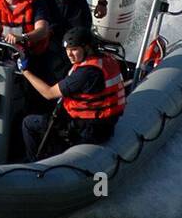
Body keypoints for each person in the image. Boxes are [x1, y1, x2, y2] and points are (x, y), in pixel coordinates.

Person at [19, 27, 126, 162]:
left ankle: (32, 164)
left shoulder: (86, 73)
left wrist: (25, 71)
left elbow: (48, 93)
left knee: (29, 123)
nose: (70, 54)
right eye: (67, 50)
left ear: (87, 48)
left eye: (74, 49)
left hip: (87, 130)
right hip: (104, 125)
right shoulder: (106, 59)